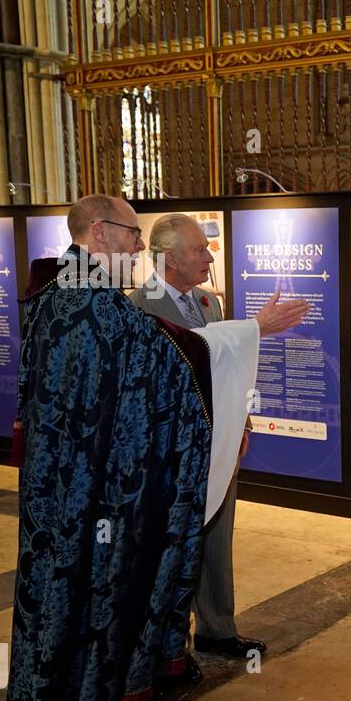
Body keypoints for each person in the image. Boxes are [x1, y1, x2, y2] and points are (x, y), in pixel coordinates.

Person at [0, 194, 308, 701]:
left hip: (64, 481)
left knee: (61, 592)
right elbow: (175, 356)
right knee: (104, 591)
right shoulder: (99, 308)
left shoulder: (53, 296)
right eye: (132, 235)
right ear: (99, 232)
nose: (140, 246)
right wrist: (254, 330)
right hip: (102, 487)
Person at [127, 213, 265, 661]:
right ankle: (168, 646)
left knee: (217, 534)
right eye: (198, 251)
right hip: (173, 451)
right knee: (173, 543)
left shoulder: (210, 304)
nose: (209, 257)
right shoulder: (139, 307)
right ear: (168, 258)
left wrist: (241, 424)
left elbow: (231, 370)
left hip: (219, 444)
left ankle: (218, 630)